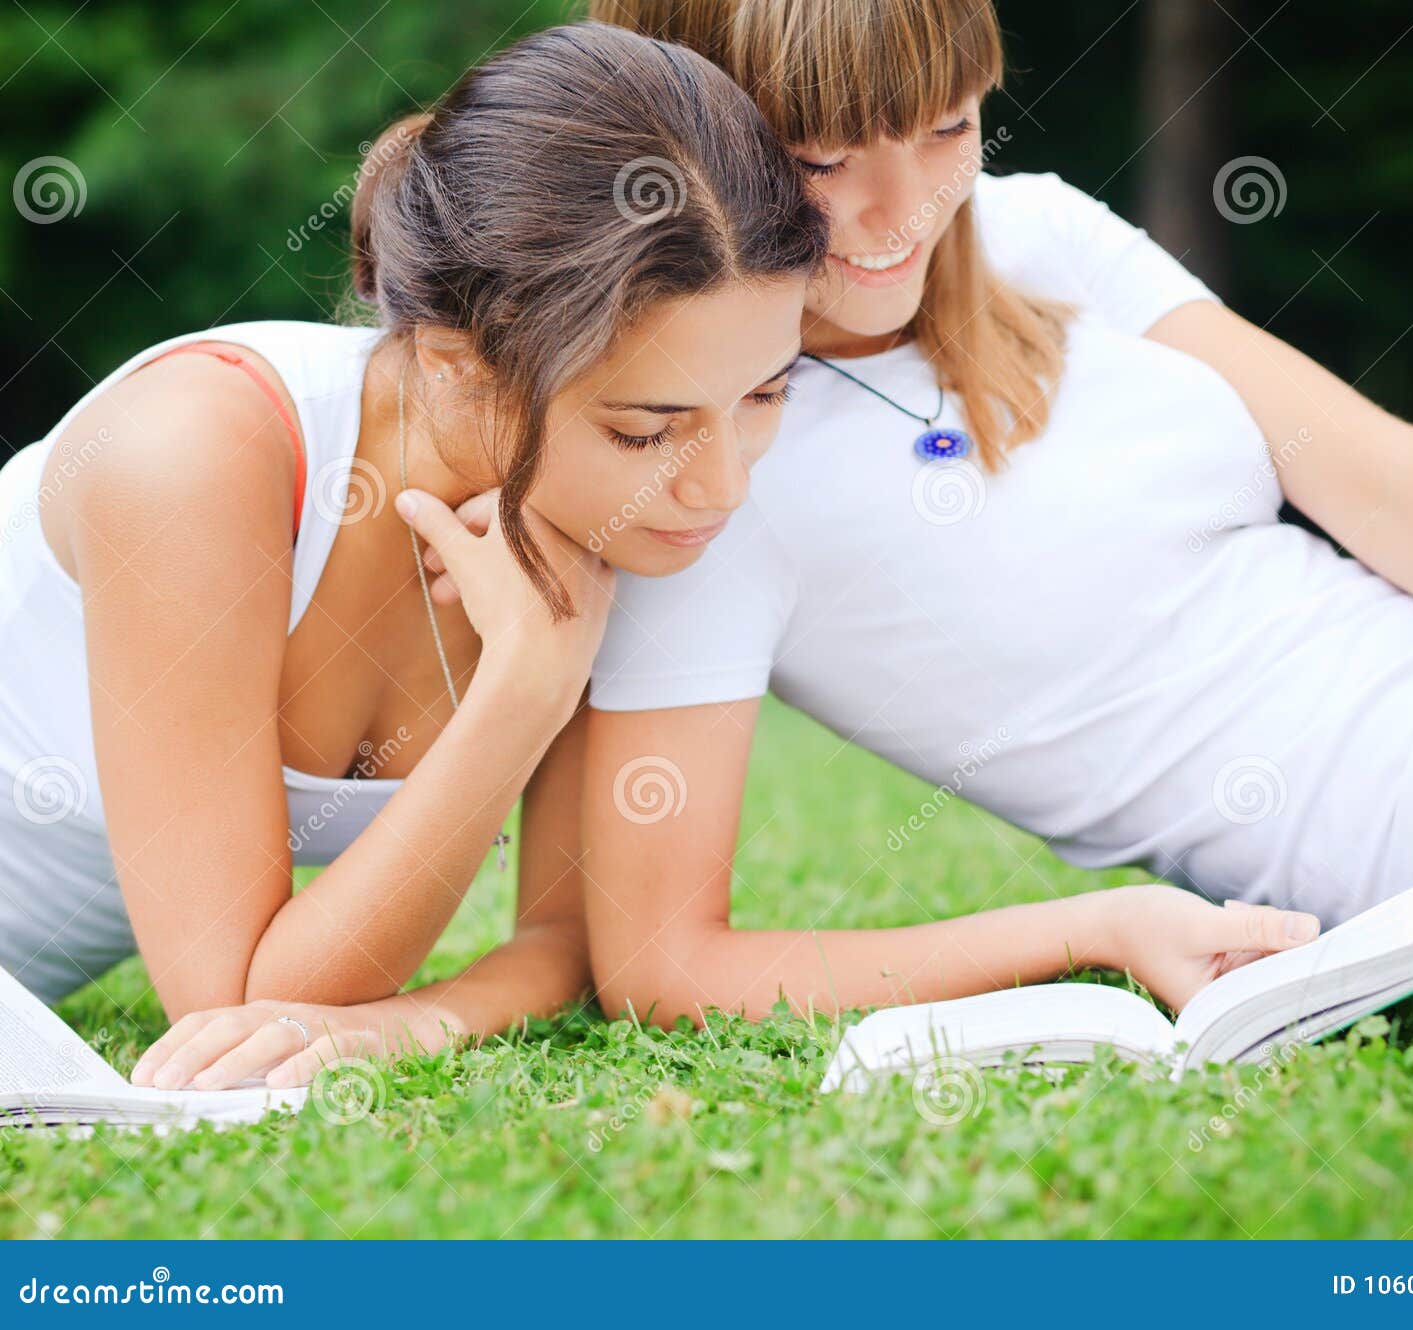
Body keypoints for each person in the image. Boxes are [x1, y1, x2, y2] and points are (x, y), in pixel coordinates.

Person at [573, 0, 1413, 1028]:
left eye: (946, 127)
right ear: (692, 139)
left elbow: (1386, 478)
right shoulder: (702, 480)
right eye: (825, 161)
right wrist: (1095, 929)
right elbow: (663, 961)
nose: (906, 211)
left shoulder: (1040, 232)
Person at [0, 22, 826, 1089]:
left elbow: (566, 938)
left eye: (765, 394)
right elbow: (235, 1003)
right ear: (458, 365)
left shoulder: (613, 517)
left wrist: (412, 1024)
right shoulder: (196, 456)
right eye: (642, 429)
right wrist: (526, 690)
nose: (721, 485)